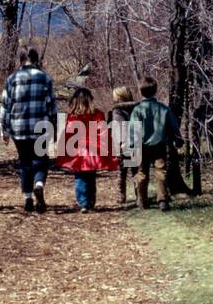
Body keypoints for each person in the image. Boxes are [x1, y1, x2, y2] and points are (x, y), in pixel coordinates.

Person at [0, 47, 58, 213]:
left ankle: (28, 198)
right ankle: (39, 184)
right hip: (40, 126)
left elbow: (5, 106)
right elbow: (52, 106)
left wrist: (4, 130)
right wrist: (55, 126)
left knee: (25, 163)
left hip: (19, 128)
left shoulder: (12, 79)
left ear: (21, 59)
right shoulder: (44, 78)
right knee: (40, 159)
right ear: (36, 59)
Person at [56, 88, 119, 212]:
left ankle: (84, 202)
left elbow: (68, 134)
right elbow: (103, 132)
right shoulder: (98, 114)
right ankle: (90, 201)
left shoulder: (72, 117)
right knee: (91, 177)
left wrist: (64, 150)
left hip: (79, 153)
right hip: (93, 152)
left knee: (80, 177)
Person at [129, 76, 180, 211]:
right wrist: (178, 139)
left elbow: (133, 129)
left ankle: (141, 200)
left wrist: (131, 145)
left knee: (141, 172)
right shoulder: (163, 109)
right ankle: (162, 199)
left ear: (140, 92)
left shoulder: (137, 110)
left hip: (141, 146)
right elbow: (174, 126)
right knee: (161, 172)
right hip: (159, 146)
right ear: (155, 90)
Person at [109, 86, 137, 204]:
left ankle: (121, 196)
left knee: (122, 172)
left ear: (119, 97)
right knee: (136, 171)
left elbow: (119, 126)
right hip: (136, 143)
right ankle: (140, 195)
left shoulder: (117, 110)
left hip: (123, 144)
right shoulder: (137, 107)